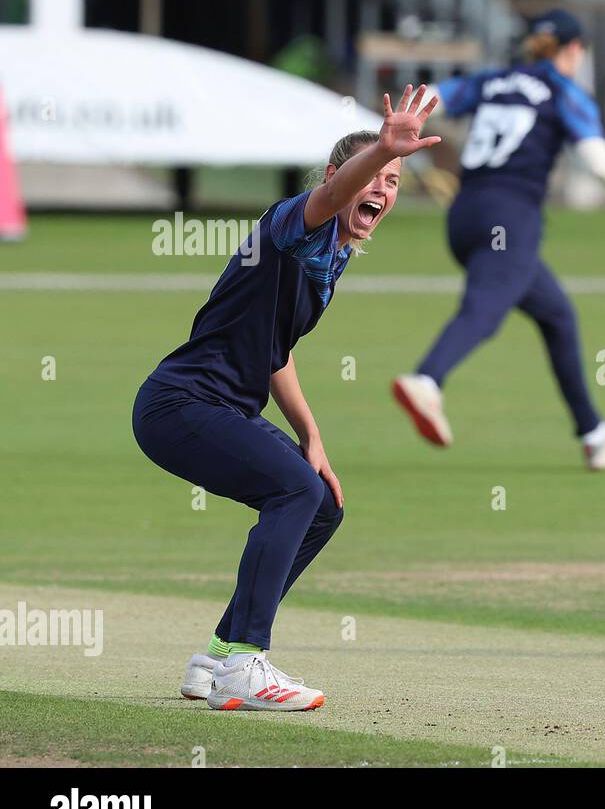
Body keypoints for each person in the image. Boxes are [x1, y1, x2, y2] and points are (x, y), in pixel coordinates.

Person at [133, 86, 441, 710]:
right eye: (373, 174)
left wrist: (311, 435)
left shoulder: (333, 257)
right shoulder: (292, 223)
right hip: (181, 404)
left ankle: (218, 657)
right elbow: (328, 198)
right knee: (294, 491)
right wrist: (383, 143)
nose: (382, 188)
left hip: (218, 407)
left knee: (319, 500)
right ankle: (246, 660)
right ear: (336, 176)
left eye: (394, 180)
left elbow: (276, 351)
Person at [392, 9, 605, 471]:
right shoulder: (563, 92)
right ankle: (427, 379)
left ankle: (596, 435)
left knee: (557, 316)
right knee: (485, 307)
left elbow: (431, 99)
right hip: (511, 219)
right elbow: (597, 160)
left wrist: (394, 129)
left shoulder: (494, 80)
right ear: (575, 49)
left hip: (464, 215)